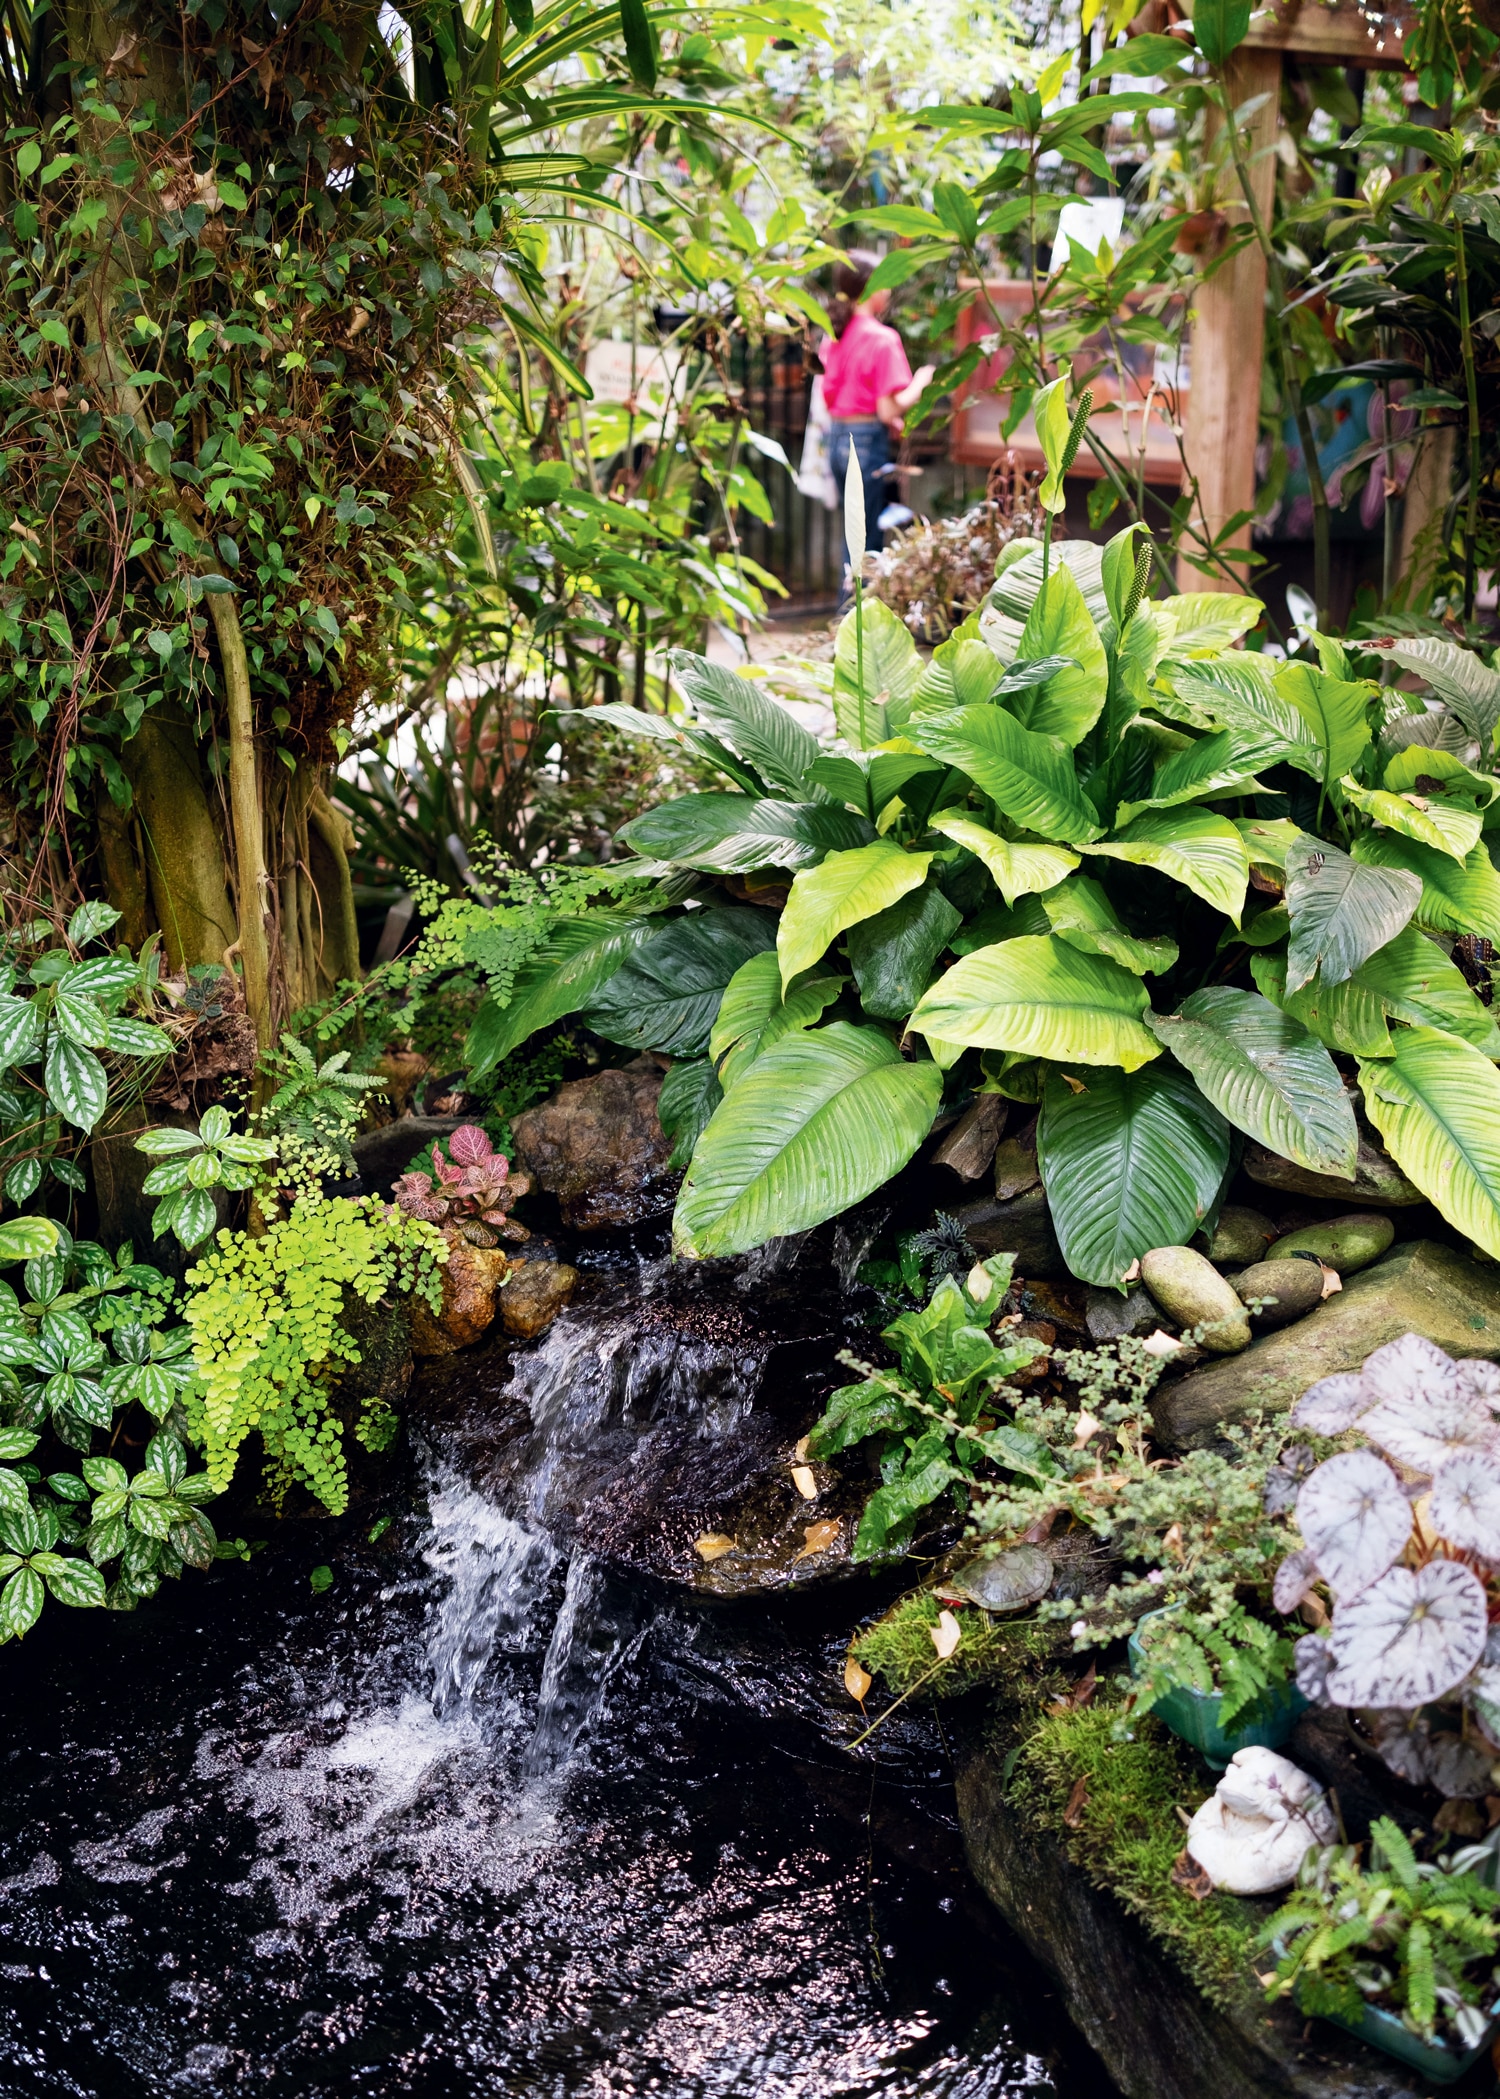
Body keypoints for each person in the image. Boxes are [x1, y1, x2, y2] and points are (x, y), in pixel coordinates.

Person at [819, 251, 935, 601]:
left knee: (853, 533)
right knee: (867, 540)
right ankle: (855, 619)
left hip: (839, 437)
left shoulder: (835, 333)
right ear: (874, 287)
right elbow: (887, 409)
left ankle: (848, 615)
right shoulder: (882, 338)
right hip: (867, 441)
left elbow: (835, 396)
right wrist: (921, 382)